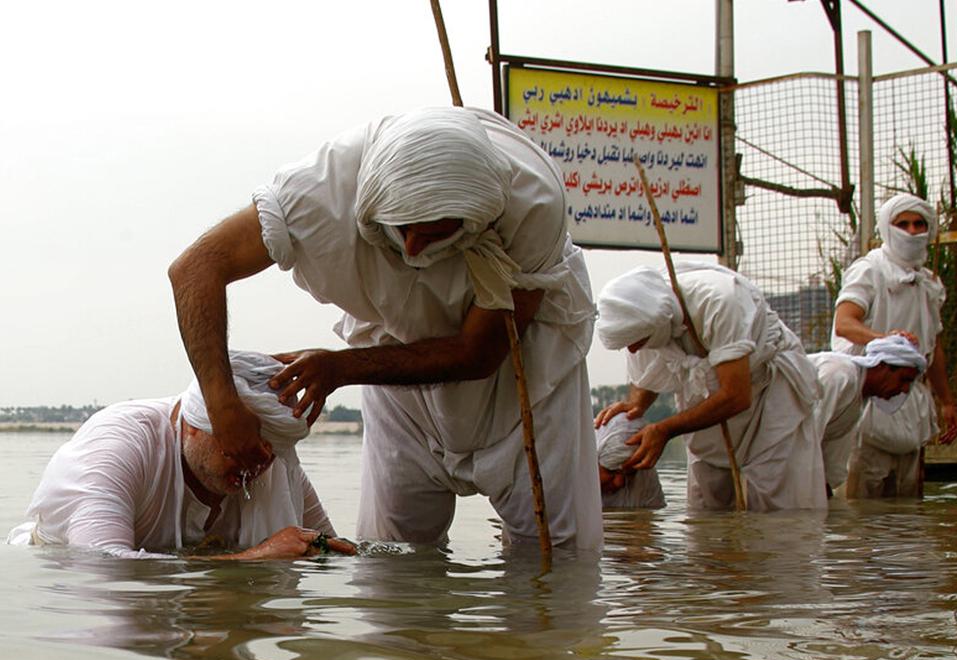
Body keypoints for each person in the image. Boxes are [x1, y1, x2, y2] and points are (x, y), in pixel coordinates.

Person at [167, 107, 601, 550]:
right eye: (403, 228)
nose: (413, 248)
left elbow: (479, 354)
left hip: (519, 367)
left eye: (435, 233)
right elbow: (195, 269)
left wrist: (338, 369)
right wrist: (223, 407)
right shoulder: (317, 193)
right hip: (391, 358)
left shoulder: (533, 204)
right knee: (391, 557)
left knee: (558, 558)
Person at [6, 351, 352, 560]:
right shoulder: (118, 445)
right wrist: (253, 558)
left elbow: (337, 553)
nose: (258, 461)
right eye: (242, 444)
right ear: (192, 425)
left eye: (271, 448)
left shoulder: (272, 464)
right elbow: (100, 566)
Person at [594, 262, 825, 512]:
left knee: (777, 500)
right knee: (707, 502)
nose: (633, 349)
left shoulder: (719, 301)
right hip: (704, 400)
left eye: (637, 342)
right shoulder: (640, 326)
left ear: (659, 320)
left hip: (765, 393)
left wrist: (666, 429)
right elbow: (648, 375)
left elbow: (736, 395)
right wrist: (636, 406)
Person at [831, 194, 957, 499]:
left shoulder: (929, 283)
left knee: (908, 508)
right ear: (887, 229)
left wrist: (947, 402)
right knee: (860, 511)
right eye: (902, 224)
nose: (912, 231)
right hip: (870, 401)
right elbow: (845, 323)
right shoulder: (869, 270)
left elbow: (933, 346)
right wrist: (888, 342)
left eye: (919, 224)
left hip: (911, 403)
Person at [808, 335, 928, 496]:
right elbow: (806, 434)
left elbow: (832, 450)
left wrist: (825, 485)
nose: (905, 389)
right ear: (882, 366)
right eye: (903, 380)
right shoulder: (838, 375)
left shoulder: (858, 398)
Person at [595, 413, 666, 510]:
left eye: (630, 473)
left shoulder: (644, 476)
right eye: (611, 471)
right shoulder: (571, 482)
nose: (619, 483)